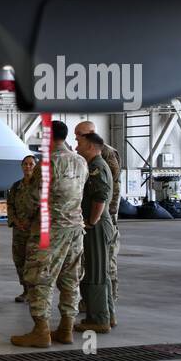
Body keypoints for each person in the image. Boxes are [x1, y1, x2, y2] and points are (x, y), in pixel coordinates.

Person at [12, 120, 87, 347]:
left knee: (40, 279)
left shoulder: (47, 164)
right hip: (75, 229)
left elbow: (31, 200)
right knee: (70, 280)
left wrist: (22, 217)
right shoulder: (81, 161)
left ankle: (41, 331)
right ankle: (66, 328)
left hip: (49, 231)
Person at [74, 120, 121, 325]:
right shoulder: (94, 164)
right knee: (100, 272)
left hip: (99, 224)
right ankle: (108, 316)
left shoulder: (98, 165)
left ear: (91, 144)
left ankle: (98, 320)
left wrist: (91, 222)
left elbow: (100, 197)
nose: (76, 146)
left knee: (95, 273)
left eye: (80, 141)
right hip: (101, 223)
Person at [5, 155, 37, 302]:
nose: (28, 167)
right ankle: (25, 290)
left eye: (31, 164)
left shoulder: (40, 186)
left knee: (34, 262)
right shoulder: (16, 186)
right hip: (19, 230)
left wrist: (33, 223)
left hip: (34, 231)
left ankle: (34, 292)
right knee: (19, 261)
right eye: (25, 164)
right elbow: (10, 205)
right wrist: (16, 221)